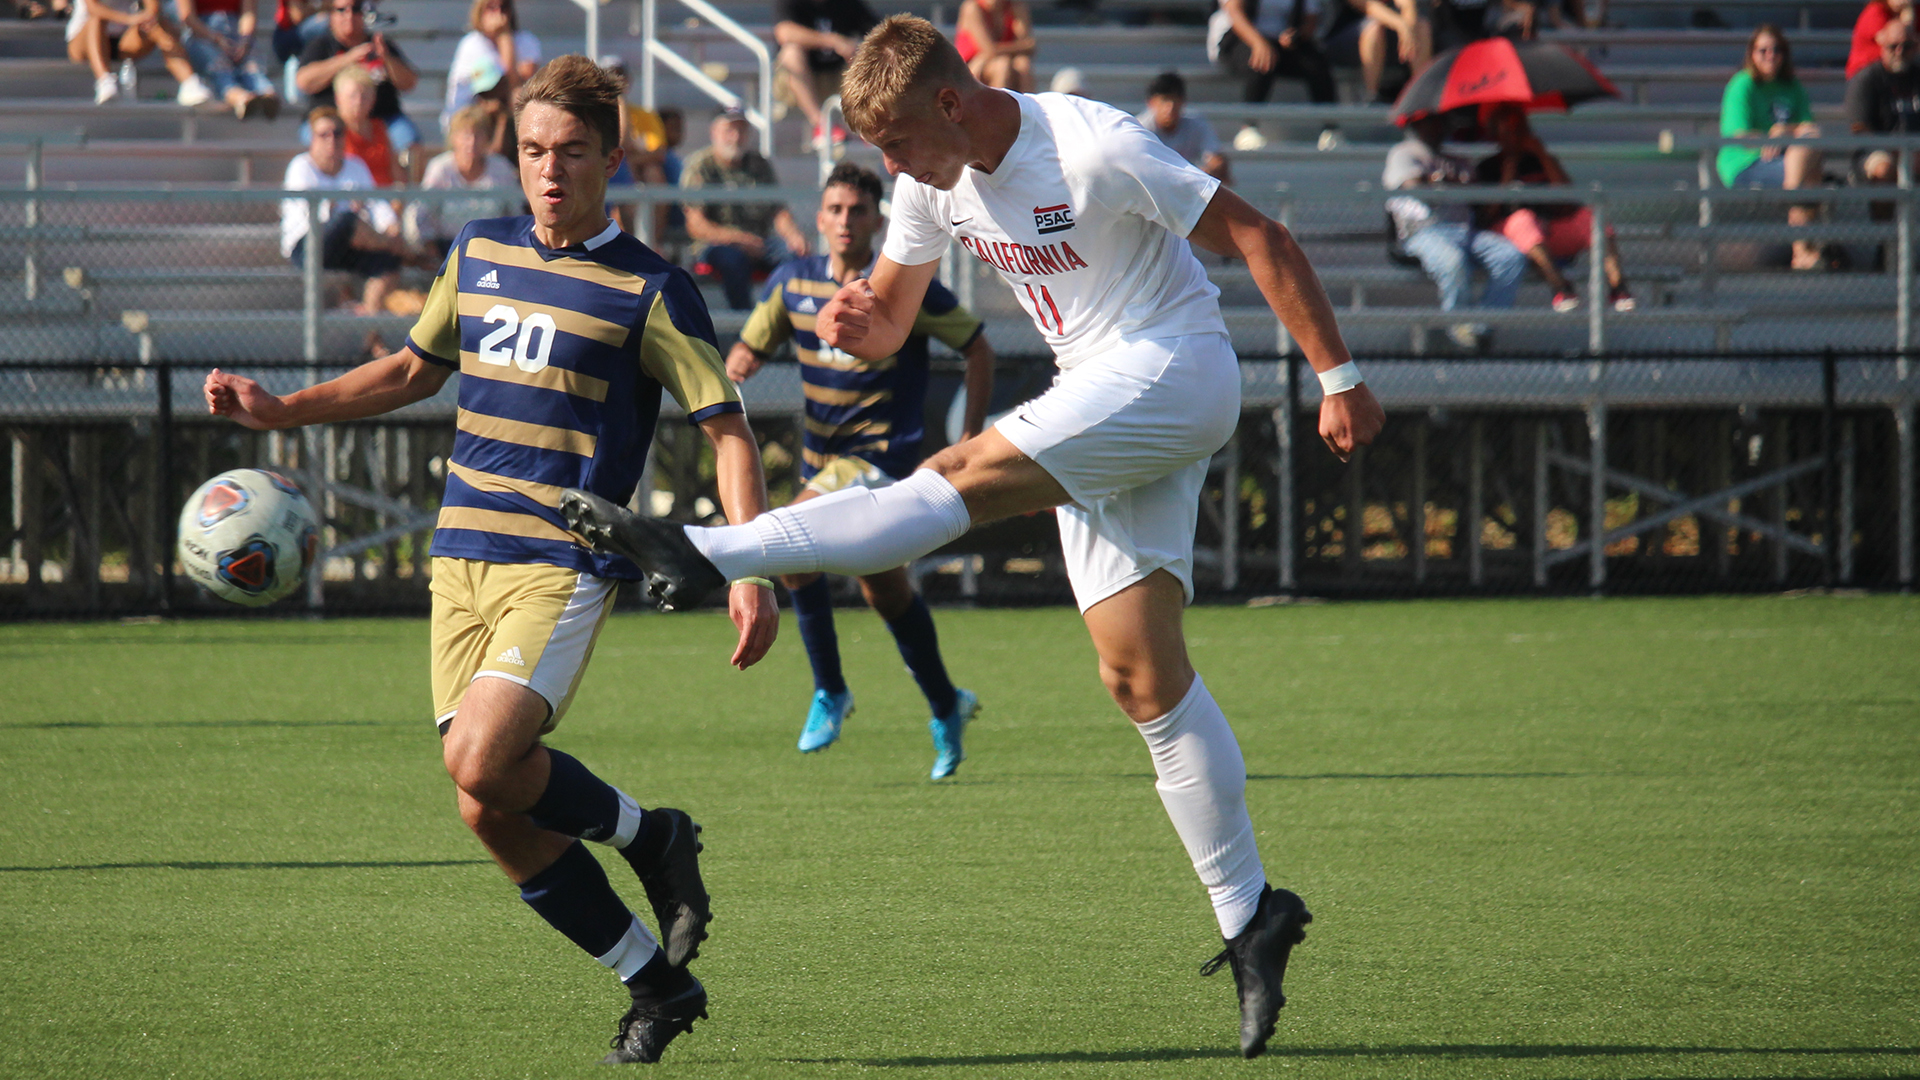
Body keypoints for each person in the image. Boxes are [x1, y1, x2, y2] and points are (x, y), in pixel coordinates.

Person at [555, 16, 1384, 1060]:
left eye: (898, 141)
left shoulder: (1093, 144)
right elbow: (897, 315)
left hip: (1176, 367)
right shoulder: (926, 177)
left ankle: (705, 548)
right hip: (1098, 392)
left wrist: (1339, 378)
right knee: (1140, 679)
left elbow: (1259, 236)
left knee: (951, 477)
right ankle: (1252, 913)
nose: (892, 166)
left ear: (951, 102)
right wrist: (867, 325)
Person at [207, 55, 776, 1066]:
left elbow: (728, 429)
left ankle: (653, 838)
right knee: (487, 803)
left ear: (612, 156)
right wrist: (283, 409)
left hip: (560, 560)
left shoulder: (651, 288)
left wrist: (750, 566)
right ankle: (655, 981)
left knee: (477, 758)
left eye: (570, 152)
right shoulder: (476, 252)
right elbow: (410, 370)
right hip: (458, 558)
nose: (549, 171)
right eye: (532, 151)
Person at [725, 162, 996, 775]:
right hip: (822, 463)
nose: (846, 221)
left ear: (880, 220)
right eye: (836, 210)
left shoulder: (903, 287)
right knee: (886, 589)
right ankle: (947, 703)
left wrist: (972, 431)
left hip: (883, 460)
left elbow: (980, 346)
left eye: (859, 211)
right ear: (819, 219)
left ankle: (831, 691)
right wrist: (737, 362)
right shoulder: (793, 284)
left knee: (788, 537)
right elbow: (751, 345)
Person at [1385, 112, 1526, 350]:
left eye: (1440, 121)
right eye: (1431, 121)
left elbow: (1473, 190)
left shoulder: (1456, 158)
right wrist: (1444, 182)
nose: (1439, 126)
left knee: (1511, 257)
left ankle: (1480, 329)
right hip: (1424, 232)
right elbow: (1415, 188)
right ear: (1418, 124)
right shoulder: (1404, 153)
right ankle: (1457, 325)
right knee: (1453, 261)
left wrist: (1444, 180)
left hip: (1465, 231)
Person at [1474, 103, 1633, 311]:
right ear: (1496, 136)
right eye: (1509, 131)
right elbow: (1487, 216)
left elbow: (1567, 199)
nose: (1516, 136)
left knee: (1591, 216)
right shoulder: (1487, 167)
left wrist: (1542, 155)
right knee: (1523, 219)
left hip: (1549, 230)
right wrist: (1507, 173)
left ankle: (1618, 286)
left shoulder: (1542, 160)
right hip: (1511, 239)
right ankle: (1561, 287)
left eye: (1520, 129)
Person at [280, 106, 412, 314]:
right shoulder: (300, 167)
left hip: (349, 245)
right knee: (347, 220)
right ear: (312, 139)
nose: (331, 140)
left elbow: (377, 205)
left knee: (389, 262)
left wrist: (390, 225)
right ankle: (406, 250)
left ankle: (372, 337)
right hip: (309, 248)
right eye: (323, 134)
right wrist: (344, 210)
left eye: (337, 133)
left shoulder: (356, 166)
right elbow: (314, 216)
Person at [680, 105, 811, 309]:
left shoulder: (759, 163)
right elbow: (696, 224)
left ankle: (781, 321)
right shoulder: (700, 165)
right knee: (734, 260)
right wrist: (739, 240)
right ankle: (744, 326)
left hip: (759, 242)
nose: (735, 137)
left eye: (741, 130)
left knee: (793, 256)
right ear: (714, 133)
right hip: (716, 244)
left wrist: (793, 235)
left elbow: (777, 210)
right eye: (729, 130)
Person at [1719, 24, 1828, 270]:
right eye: (1763, 50)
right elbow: (1738, 137)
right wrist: (1771, 138)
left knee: (1806, 153)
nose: (1771, 55)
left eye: (1777, 49)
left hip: (1788, 160)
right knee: (1808, 169)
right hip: (1744, 162)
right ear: (1752, 54)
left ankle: (1802, 243)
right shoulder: (1742, 84)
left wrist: (1783, 133)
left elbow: (1810, 130)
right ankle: (1802, 249)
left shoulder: (1792, 85)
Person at [295, 0, 420, 161]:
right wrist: (347, 59)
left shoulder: (380, 44)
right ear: (331, 15)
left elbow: (410, 83)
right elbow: (304, 82)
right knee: (319, 140)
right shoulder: (321, 45)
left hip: (382, 119)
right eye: (341, 10)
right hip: (332, 120)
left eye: (356, 9)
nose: (349, 15)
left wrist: (387, 59)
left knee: (411, 146)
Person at [1214, 0, 1338, 150]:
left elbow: (1311, 20)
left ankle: (1330, 130)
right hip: (1241, 38)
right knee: (1261, 61)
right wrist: (1258, 43)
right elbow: (1235, 12)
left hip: (1282, 44)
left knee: (1317, 65)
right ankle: (1248, 127)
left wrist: (1297, 35)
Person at [409, 103, 522, 254]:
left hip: (492, 248)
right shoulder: (440, 168)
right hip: (446, 247)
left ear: (487, 138)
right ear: (454, 138)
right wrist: (430, 249)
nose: (472, 142)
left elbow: (516, 214)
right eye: (466, 135)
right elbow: (422, 214)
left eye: (478, 135)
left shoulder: (501, 168)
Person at [773, 0, 878, 149]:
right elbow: (784, 32)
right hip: (796, 82)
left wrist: (856, 47)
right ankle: (822, 126)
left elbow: (878, 30)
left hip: (835, 77)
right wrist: (833, 41)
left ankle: (866, 126)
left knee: (867, 54)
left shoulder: (849, 4)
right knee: (791, 53)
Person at [66, 0, 211, 106]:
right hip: (84, 41)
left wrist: (148, 19)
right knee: (97, 20)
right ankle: (104, 80)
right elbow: (93, 8)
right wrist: (130, 19)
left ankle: (189, 82)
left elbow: (153, 9)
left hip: (122, 40)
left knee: (157, 24)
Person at [443, 0, 541, 137]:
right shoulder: (471, 43)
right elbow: (498, 82)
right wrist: (504, 36)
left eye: (503, 7)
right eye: (491, 7)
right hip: (468, 115)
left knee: (519, 97)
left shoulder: (527, 40)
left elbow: (519, 83)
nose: (499, 14)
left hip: (505, 113)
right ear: (480, 11)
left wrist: (504, 36)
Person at [1847, 18, 1920, 186]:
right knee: (1884, 168)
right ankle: (1884, 214)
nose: (1900, 52)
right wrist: (1899, 152)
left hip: (1916, 147)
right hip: (1874, 150)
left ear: (1916, 47)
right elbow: (1860, 129)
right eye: (1893, 46)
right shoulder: (1866, 79)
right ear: (1882, 47)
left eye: (1907, 46)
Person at [178, 0, 280, 119]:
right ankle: (239, 98)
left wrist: (244, 41)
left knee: (251, 64)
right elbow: (188, 17)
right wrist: (216, 39)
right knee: (219, 66)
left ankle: (266, 94)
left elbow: (248, 13)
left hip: (236, 30)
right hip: (202, 33)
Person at [1321, 0, 1428, 103]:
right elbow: (1369, 6)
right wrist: (1402, 26)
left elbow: (1409, 6)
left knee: (1422, 26)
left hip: (1392, 37)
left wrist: (1409, 31)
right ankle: (1371, 96)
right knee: (1374, 28)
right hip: (1345, 39)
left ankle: (1420, 95)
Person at [1140, 71, 1231, 184]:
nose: (1170, 107)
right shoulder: (1141, 130)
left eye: (1175, 100)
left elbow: (1216, 159)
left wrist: (1211, 170)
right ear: (1151, 103)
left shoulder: (1196, 123)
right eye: (1164, 100)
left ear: (1183, 102)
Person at [334, 64, 396, 186]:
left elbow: (395, 171)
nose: (358, 102)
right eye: (352, 96)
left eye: (364, 96)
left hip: (384, 198)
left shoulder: (379, 127)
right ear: (338, 98)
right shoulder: (333, 131)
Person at [954, 0, 1035, 92]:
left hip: (1001, 58)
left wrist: (1024, 46)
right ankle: (999, 104)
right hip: (973, 63)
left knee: (1023, 64)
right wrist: (1021, 47)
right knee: (1002, 65)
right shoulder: (973, 7)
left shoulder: (1015, 7)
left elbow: (1029, 46)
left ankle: (1027, 104)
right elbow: (989, 50)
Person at [1849, 0, 1911, 80]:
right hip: (1867, 73)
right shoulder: (1876, 11)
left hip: (1896, 73)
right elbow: (1898, 41)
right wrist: (1908, 18)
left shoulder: (1915, 11)